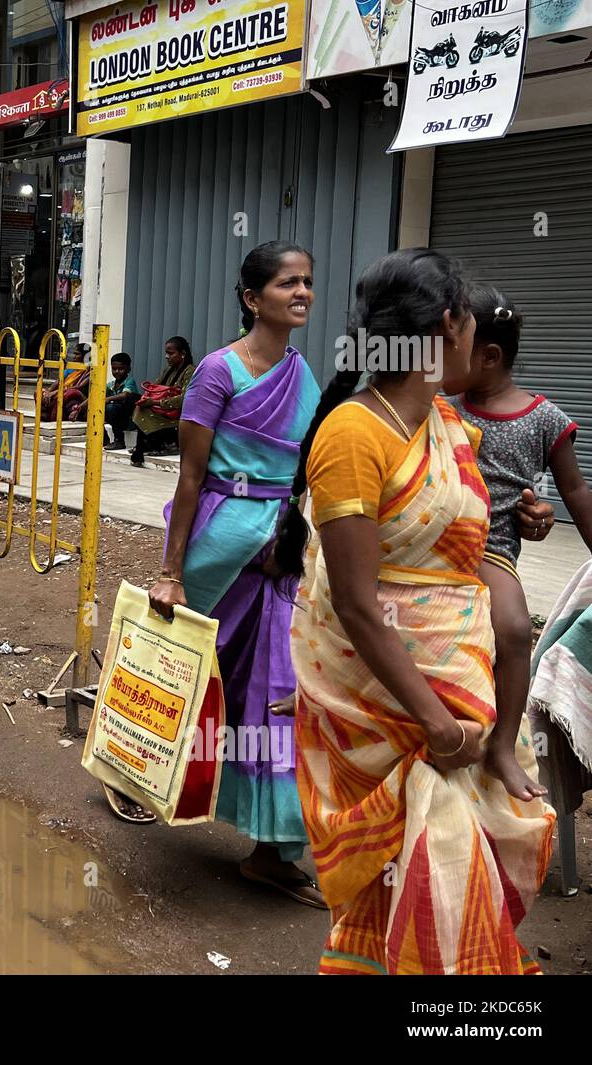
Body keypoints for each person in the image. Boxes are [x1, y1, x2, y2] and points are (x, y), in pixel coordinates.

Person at [284, 248, 556, 974]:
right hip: (390, 710)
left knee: (444, 882)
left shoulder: (448, 426)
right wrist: (434, 722)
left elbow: (457, 543)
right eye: (471, 319)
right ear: (448, 326)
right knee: (413, 883)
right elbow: (355, 602)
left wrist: (522, 519)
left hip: (454, 699)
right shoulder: (352, 434)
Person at [141, 240, 324, 907]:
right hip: (220, 540)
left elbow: (304, 476)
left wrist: (294, 538)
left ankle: (272, 848)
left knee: (274, 686)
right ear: (252, 297)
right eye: (286, 283)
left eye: (306, 282)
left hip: (280, 550)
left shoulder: (305, 376)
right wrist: (171, 572)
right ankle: (139, 766)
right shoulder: (218, 371)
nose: (301, 292)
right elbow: (191, 476)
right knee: (187, 668)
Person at [451, 283, 592, 801]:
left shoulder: (545, 419)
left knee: (512, 628)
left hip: (491, 548)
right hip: (434, 543)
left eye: (453, 346)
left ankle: (504, 747)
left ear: (488, 356)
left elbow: (575, 490)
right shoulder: (442, 409)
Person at [130, 336, 195, 466]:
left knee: (145, 410)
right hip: (162, 410)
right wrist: (147, 400)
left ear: (182, 354)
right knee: (138, 404)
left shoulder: (190, 371)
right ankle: (143, 447)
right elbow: (154, 388)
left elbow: (185, 398)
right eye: (166, 353)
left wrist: (156, 403)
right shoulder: (168, 370)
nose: (167, 356)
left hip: (176, 414)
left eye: (171, 353)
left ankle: (141, 449)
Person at [71, 353, 140, 451]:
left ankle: (119, 440)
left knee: (110, 407)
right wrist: (79, 408)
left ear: (128, 369)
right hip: (117, 418)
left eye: (121, 369)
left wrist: (107, 399)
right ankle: (102, 439)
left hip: (129, 420)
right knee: (93, 409)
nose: (117, 371)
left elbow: (124, 395)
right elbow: (95, 396)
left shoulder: (129, 381)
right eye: (114, 369)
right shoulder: (111, 385)